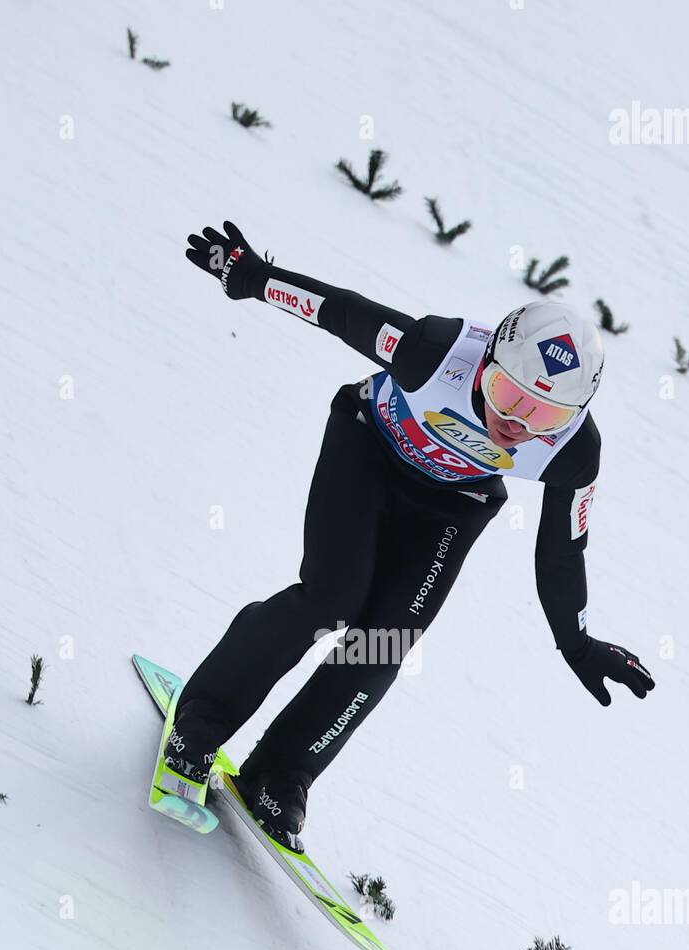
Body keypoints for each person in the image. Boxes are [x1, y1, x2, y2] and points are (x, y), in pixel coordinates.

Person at [165, 220, 654, 850]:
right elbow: (341, 312)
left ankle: (279, 777)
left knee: (384, 642)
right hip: (367, 446)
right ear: (489, 360)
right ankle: (197, 727)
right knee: (329, 599)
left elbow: (561, 555)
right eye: (506, 392)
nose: (513, 420)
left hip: (452, 507)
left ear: (576, 415)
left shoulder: (574, 455)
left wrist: (577, 644)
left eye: (544, 414)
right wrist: (255, 278)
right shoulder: (437, 351)